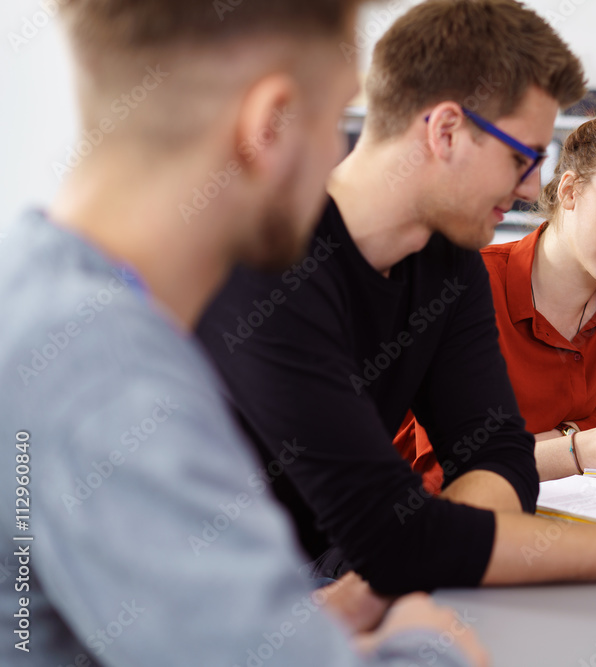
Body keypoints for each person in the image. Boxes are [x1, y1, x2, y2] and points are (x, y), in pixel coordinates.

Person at [197, 0, 596, 595]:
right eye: (520, 157)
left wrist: (418, 552)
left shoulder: (447, 264)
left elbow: (499, 460)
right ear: (444, 132)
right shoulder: (271, 260)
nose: (529, 188)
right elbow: (396, 528)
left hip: (340, 584)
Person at [0, 1, 487, 665]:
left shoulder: (39, 293)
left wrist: (292, 621)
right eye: (337, 120)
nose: (338, 159)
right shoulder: (104, 371)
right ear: (270, 126)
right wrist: (431, 645)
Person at [396, 94, 596, 491]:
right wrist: (578, 448)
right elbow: (447, 467)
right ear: (570, 190)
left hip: (560, 506)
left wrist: (537, 448)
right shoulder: (467, 285)